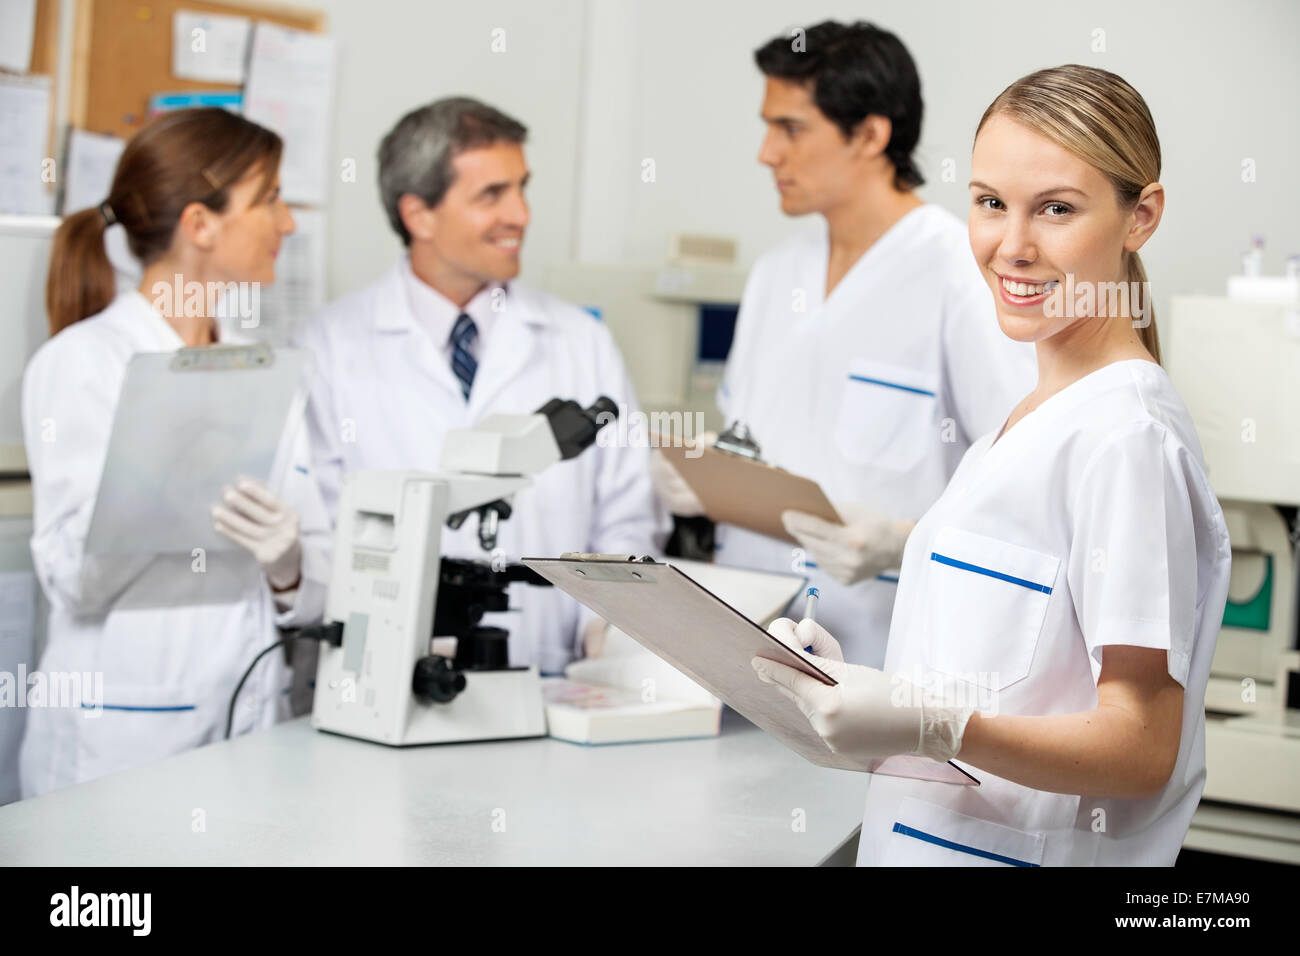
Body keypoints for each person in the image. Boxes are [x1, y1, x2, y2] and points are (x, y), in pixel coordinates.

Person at [751, 65, 1231, 866]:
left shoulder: (1126, 440)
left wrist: (924, 720)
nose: (1012, 246)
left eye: (1057, 209)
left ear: (1140, 216)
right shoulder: (1021, 426)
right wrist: (863, 694)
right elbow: (1012, 684)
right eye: (989, 203)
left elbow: (1142, 747)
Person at [652, 21, 1035, 666]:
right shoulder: (777, 274)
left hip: (890, 664)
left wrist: (906, 542)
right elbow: (760, 439)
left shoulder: (960, 272)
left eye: (791, 128)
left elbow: (1026, 493)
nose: (766, 153)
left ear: (870, 134)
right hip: (751, 642)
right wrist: (710, 472)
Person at [293, 97, 664, 675]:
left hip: (554, 676)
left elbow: (627, 511)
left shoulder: (580, 341)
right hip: (385, 671)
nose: (521, 214)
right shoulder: (329, 347)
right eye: (492, 194)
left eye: (522, 188)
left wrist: (610, 622)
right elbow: (322, 526)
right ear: (419, 214)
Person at [20, 108, 329, 797]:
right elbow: (71, 580)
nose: (288, 223)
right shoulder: (86, 364)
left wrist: (288, 566)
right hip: (122, 749)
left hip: (254, 731)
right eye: (270, 198)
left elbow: (318, 585)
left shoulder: (265, 371)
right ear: (200, 224)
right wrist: (162, 481)